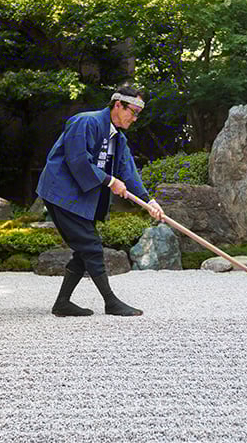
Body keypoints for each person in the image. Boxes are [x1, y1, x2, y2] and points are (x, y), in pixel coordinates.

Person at [36, 84, 164, 317]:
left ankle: (62, 303)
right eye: (132, 112)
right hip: (62, 194)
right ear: (117, 105)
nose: (135, 118)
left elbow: (128, 171)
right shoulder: (86, 122)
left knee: (84, 250)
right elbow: (78, 161)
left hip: (81, 198)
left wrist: (149, 201)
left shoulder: (118, 138)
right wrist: (109, 181)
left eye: (138, 114)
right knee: (92, 246)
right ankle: (111, 302)